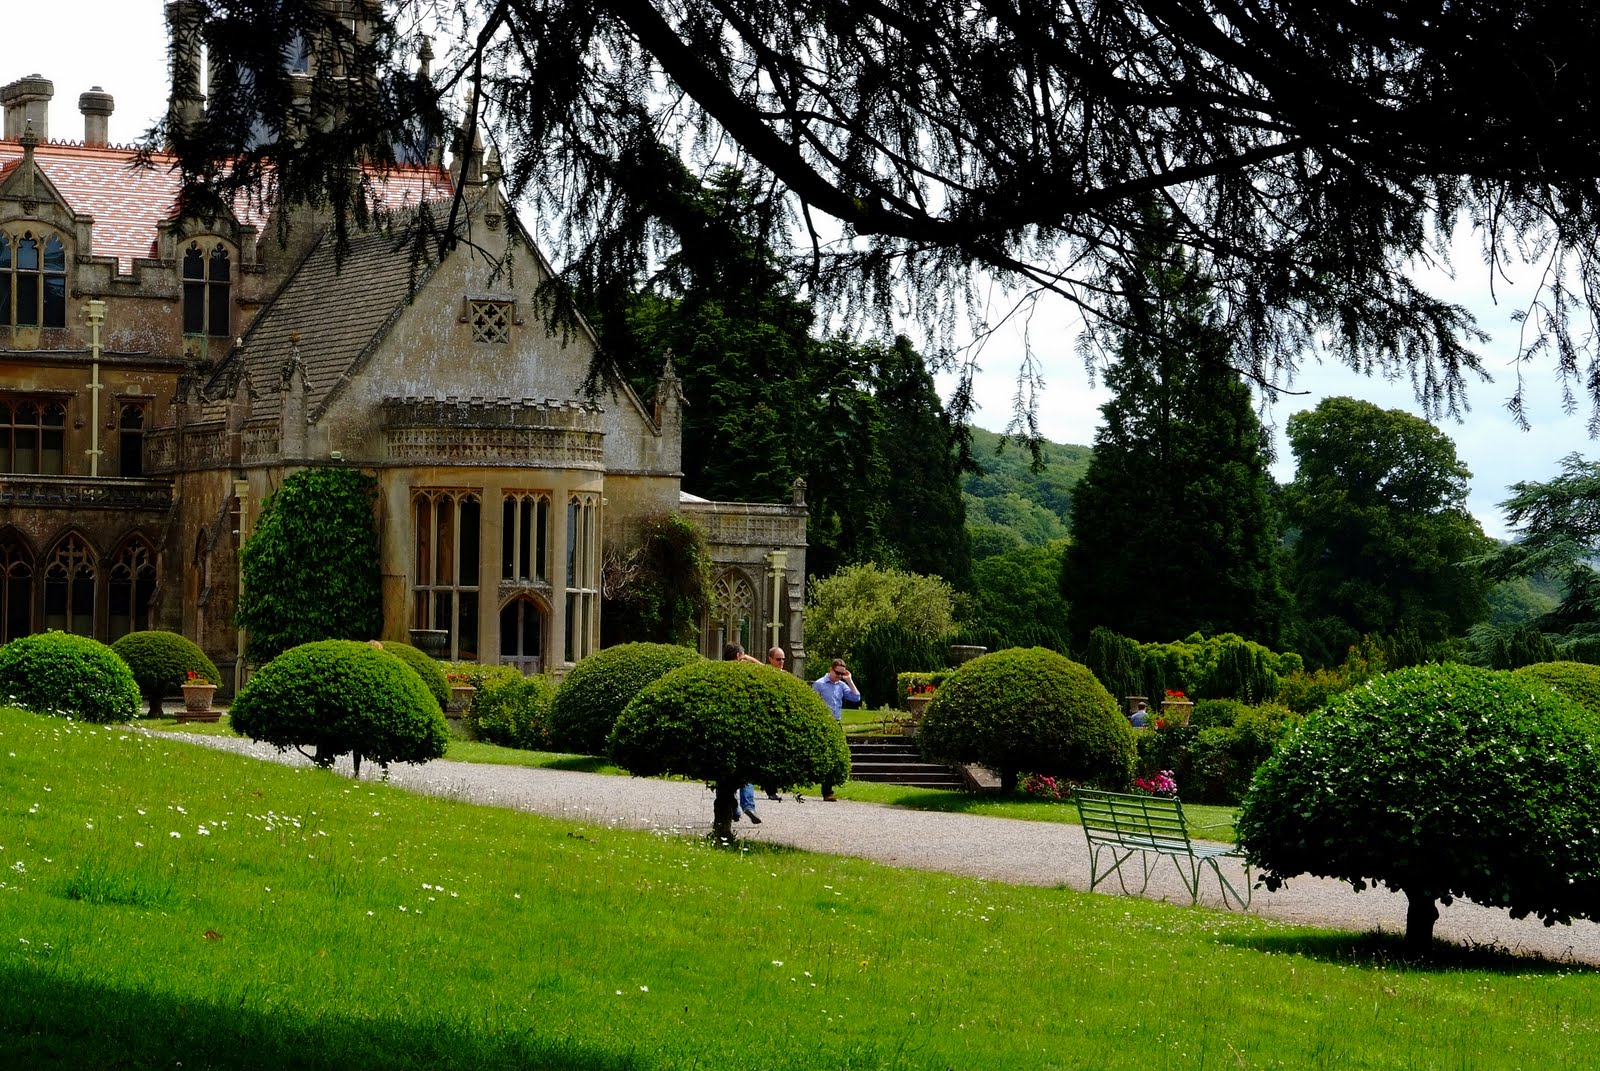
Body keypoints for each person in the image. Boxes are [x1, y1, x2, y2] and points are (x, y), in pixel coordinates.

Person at [723, 642, 763, 823]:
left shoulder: (718, 672)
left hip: (723, 729)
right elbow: (768, 672)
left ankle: (733, 808)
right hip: (743, 728)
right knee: (745, 770)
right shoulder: (745, 673)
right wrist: (751, 660)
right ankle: (748, 806)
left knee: (723, 773)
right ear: (739, 656)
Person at [810, 658, 860, 801]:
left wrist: (849, 680)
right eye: (837, 673)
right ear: (831, 669)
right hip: (823, 723)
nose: (839, 676)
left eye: (841, 674)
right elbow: (812, 704)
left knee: (835, 755)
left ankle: (828, 790)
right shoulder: (819, 684)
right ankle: (824, 788)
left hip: (836, 723)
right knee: (824, 755)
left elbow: (856, 698)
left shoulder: (841, 685)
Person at [760, 647, 788, 801]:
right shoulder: (765, 675)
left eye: (783, 659)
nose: (781, 662)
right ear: (770, 659)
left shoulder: (786, 677)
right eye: (778, 659)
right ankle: (769, 786)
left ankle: (771, 786)